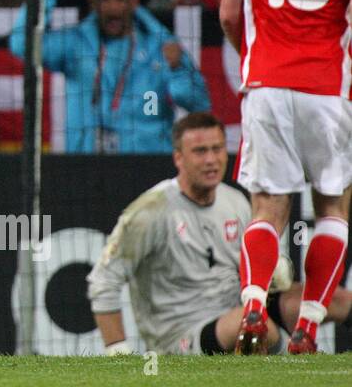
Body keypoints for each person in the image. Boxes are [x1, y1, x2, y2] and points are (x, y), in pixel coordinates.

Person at [218, 0, 352, 354]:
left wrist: (250, 61)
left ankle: (253, 303)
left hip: (267, 82)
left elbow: (229, 11)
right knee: (333, 207)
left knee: (267, 207)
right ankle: (310, 326)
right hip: (327, 87)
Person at [88, 112, 352, 355]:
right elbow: (103, 281)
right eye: (200, 151)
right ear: (178, 158)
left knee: (338, 299)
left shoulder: (234, 200)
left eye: (217, 149)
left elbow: (260, 267)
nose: (211, 160)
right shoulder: (150, 211)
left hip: (241, 310)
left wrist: (277, 270)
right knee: (255, 327)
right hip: (181, 336)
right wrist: (117, 352)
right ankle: (295, 365)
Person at [9, 0, 210, 152]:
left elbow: (198, 104)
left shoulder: (159, 48)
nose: (113, 9)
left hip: (146, 170)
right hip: (87, 169)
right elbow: (21, 45)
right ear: (93, 1)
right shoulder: (75, 44)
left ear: (134, 2)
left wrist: (178, 70)